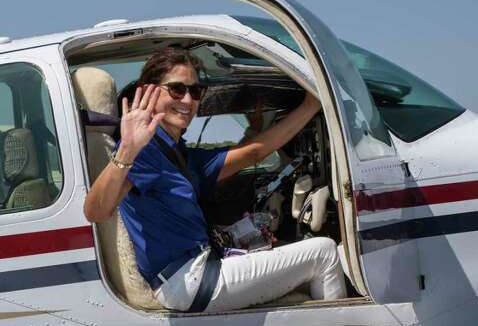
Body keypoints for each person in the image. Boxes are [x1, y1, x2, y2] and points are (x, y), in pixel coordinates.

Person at [83, 46, 345, 312]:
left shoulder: (179, 155)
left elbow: (254, 153)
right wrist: (127, 148)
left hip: (195, 271)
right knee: (324, 252)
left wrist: (294, 113)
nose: (188, 100)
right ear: (148, 90)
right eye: (177, 89)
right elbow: (95, 211)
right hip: (187, 281)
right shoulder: (144, 151)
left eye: (195, 91)